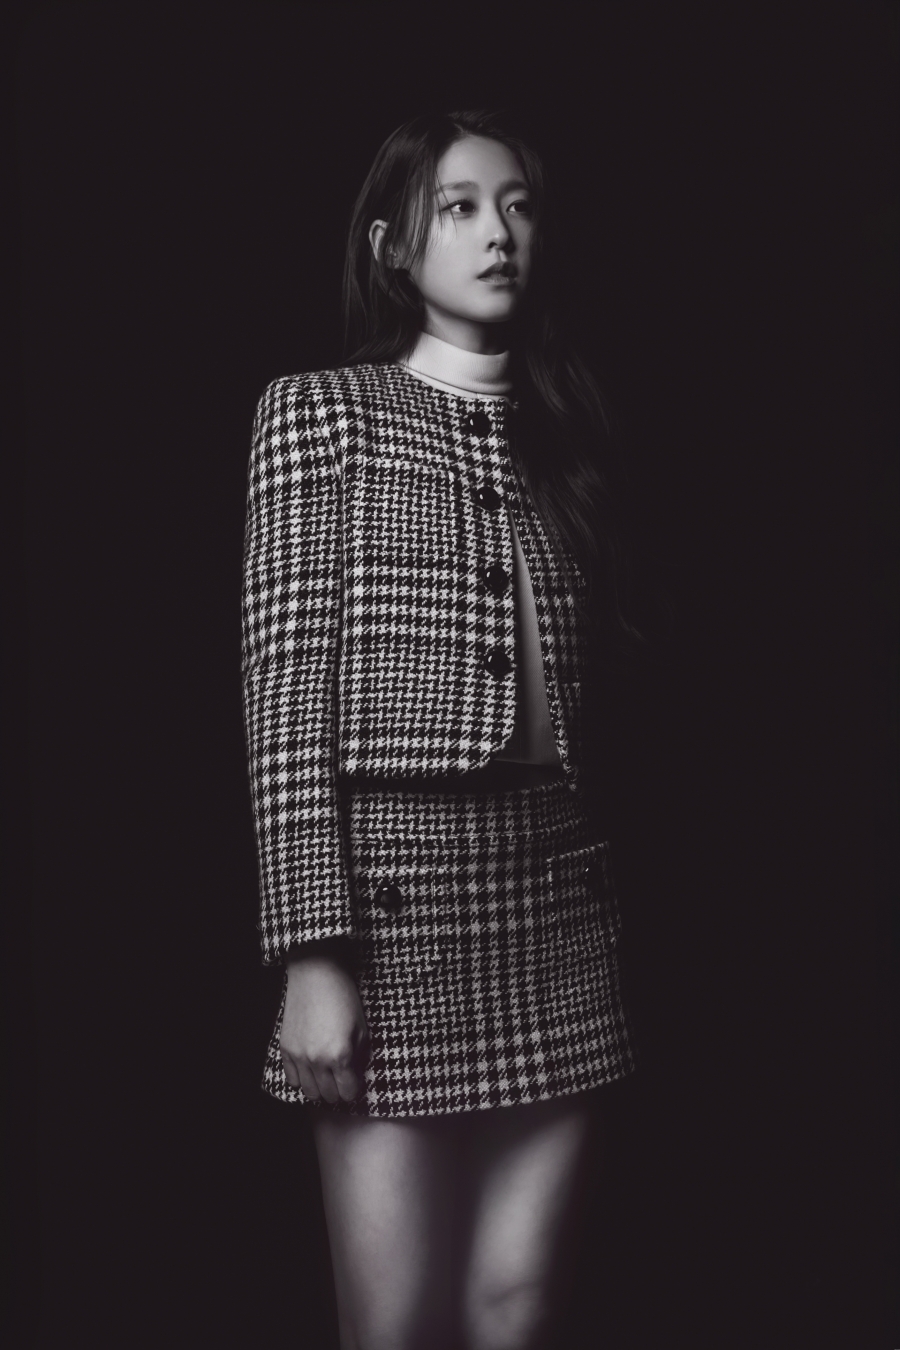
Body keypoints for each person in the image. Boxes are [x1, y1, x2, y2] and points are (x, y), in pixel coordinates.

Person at [241, 108, 641, 1350]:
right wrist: (313, 953)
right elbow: (284, 695)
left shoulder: (567, 434)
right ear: (391, 245)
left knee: (517, 1311)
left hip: (559, 904)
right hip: (394, 909)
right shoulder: (321, 415)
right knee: (398, 1323)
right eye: (459, 208)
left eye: (517, 205)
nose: (497, 232)